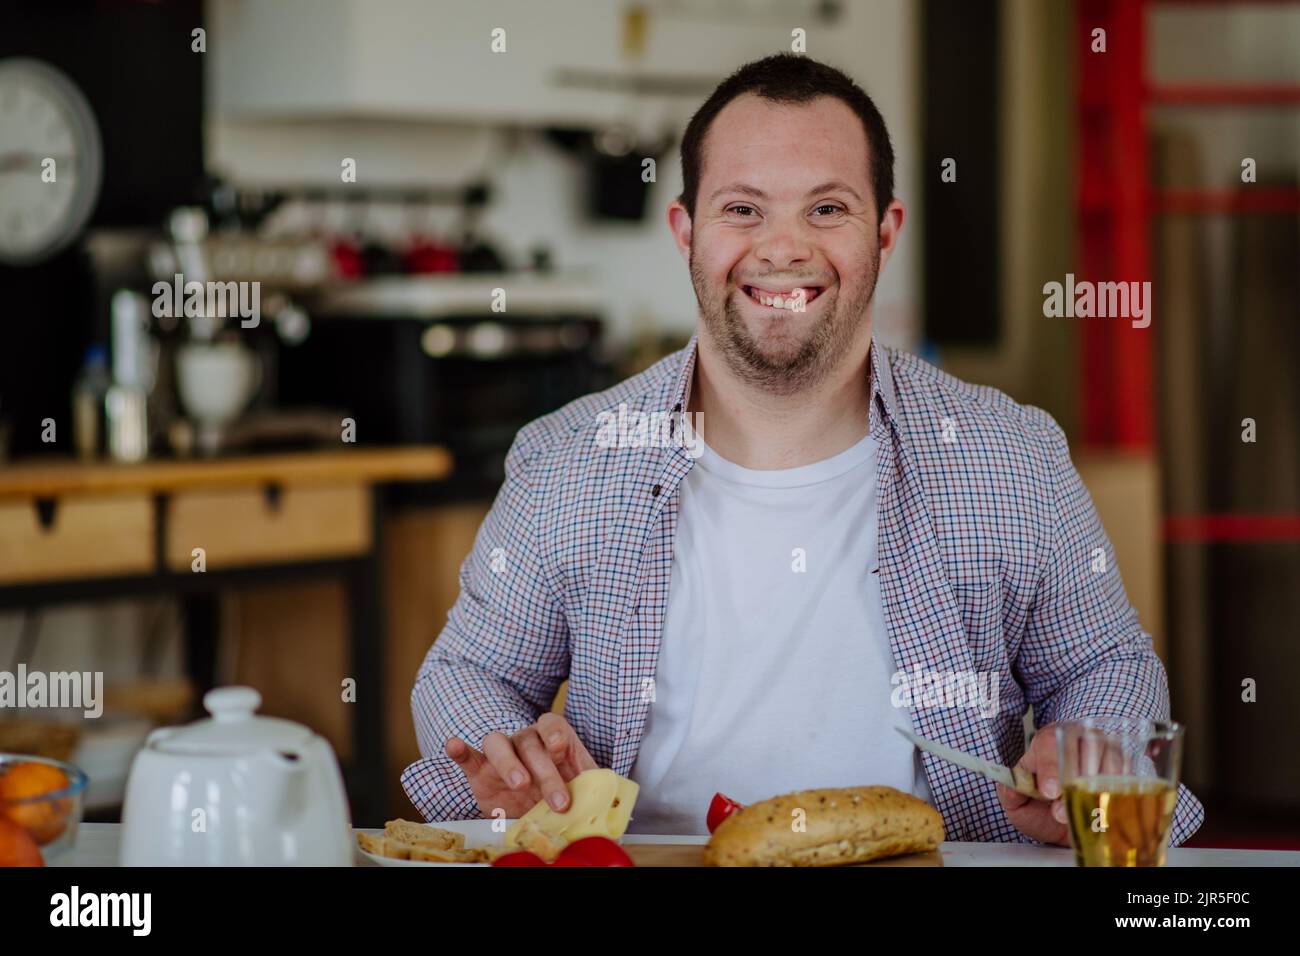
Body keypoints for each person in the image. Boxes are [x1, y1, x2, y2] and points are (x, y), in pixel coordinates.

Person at [402, 54, 1203, 844]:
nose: (782, 248)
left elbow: (1105, 665)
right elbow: (471, 675)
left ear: (885, 233)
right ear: (685, 232)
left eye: (827, 209)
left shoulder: (1011, 454)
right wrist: (510, 753)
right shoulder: (568, 459)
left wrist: (1087, 747)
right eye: (743, 210)